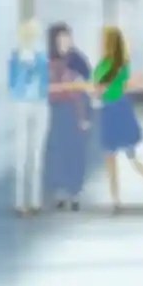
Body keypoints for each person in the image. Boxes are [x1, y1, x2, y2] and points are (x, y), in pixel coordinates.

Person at [83, 26, 143, 213]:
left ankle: (121, 199)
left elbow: (101, 90)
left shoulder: (109, 65)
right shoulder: (118, 65)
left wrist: (99, 89)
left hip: (114, 111)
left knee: (119, 158)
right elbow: (112, 87)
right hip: (117, 110)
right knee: (126, 158)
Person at [44, 23, 93, 211]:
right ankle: (58, 191)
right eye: (61, 39)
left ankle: (74, 191)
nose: (65, 42)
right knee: (58, 152)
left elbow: (88, 83)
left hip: (76, 109)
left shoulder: (78, 59)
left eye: (67, 38)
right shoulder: (49, 61)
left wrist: (86, 116)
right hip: (57, 110)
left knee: (76, 151)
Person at [8, 18, 49, 216]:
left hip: (36, 105)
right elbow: (13, 83)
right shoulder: (17, 57)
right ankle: (22, 202)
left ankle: (32, 201)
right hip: (25, 104)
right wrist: (27, 70)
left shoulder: (40, 57)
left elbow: (44, 82)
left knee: (35, 153)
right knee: (24, 152)